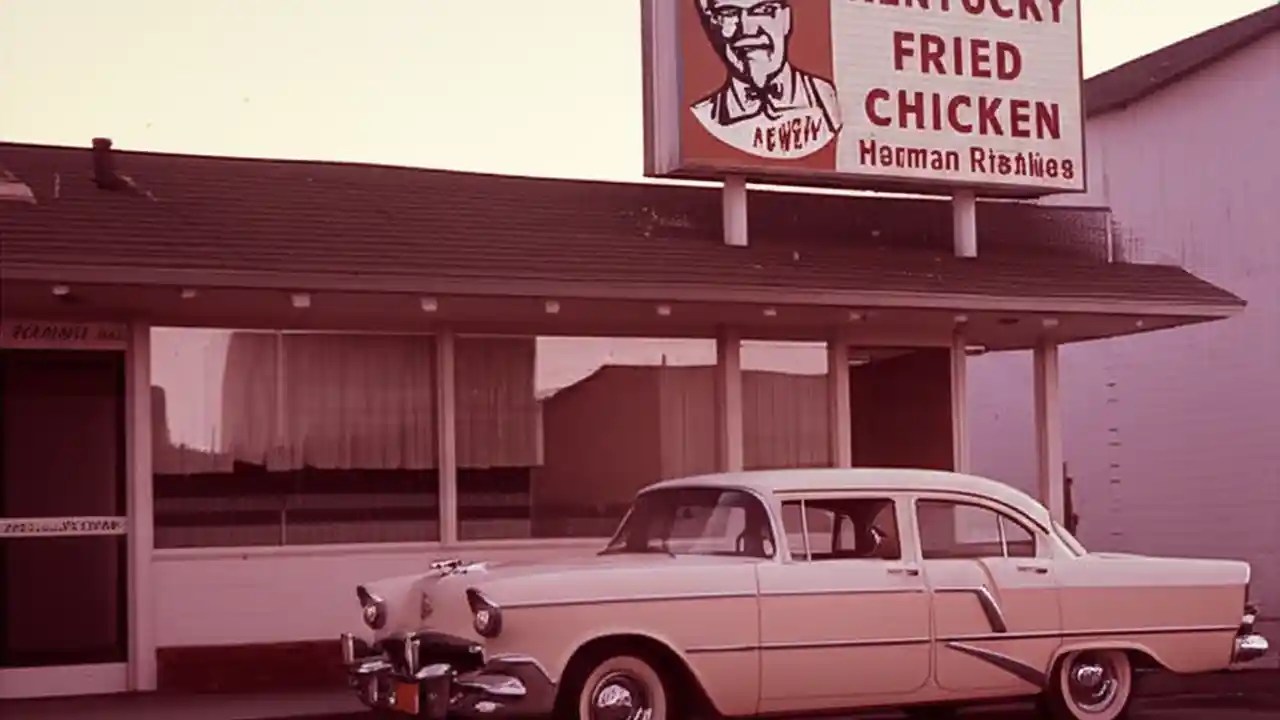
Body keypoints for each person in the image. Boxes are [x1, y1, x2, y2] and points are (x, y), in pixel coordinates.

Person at [690, 0, 841, 157]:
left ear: (785, 19)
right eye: (729, 13)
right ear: (713, 26)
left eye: (763, 10)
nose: (748, 29)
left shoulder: (826, 99)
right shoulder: (704, 116)